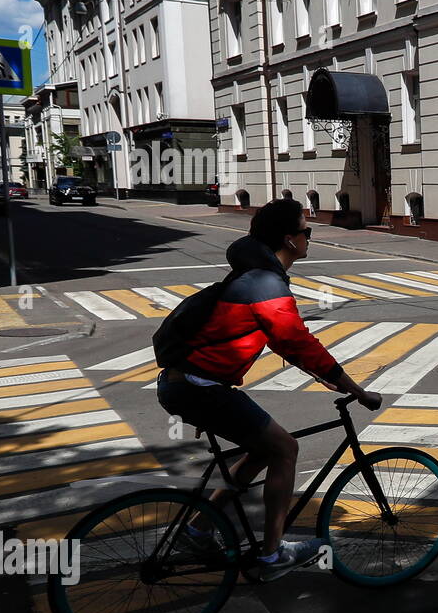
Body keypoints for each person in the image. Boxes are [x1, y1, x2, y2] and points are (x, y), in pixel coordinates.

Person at [156, 198, 381, 581]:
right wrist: (356, 390)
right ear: (290, 240)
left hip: (188, 383)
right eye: (306, 230)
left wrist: (319, 375)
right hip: (199, 386)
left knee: (264, 450)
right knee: (286, 448)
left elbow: (278, 340)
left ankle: (199, 529)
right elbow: (296, 339)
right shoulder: (264, 281)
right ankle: (273, 554)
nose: (310, 237)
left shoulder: (255, 276)